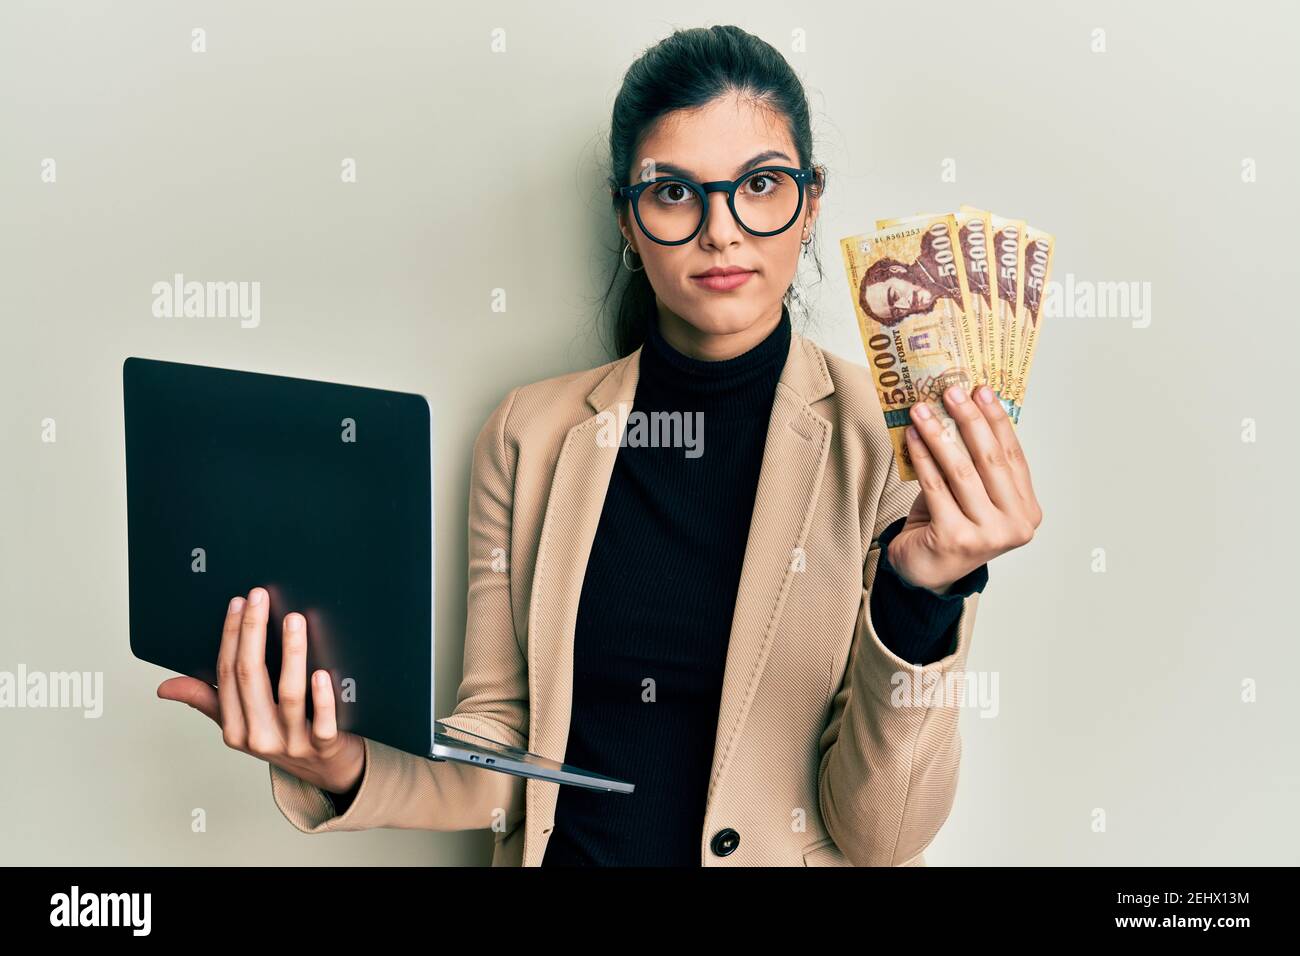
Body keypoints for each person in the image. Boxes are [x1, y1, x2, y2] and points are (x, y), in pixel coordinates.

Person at [157, 24, 1041, 866]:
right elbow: (503, 762)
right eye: (672, 192)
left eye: (761, 184)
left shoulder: (896, 441)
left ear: (810, 204)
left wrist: (923, 594)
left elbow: (881, 835)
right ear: (627, 220)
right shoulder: (528, 435)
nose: (721, 229)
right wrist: (340, 767)